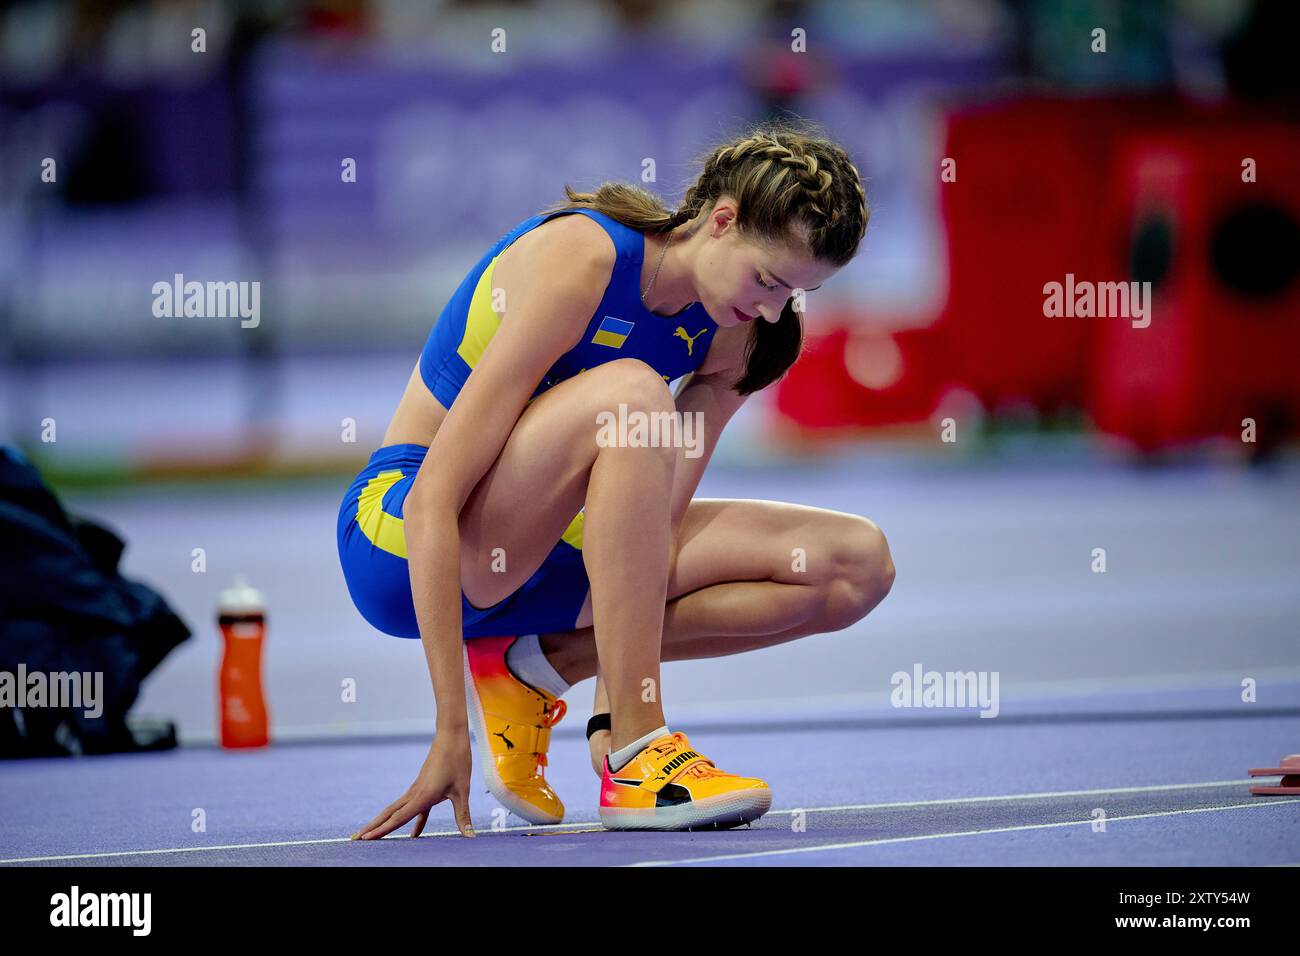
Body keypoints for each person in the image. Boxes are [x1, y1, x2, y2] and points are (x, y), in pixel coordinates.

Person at [339, 121, 894, 837]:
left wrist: (608, 697)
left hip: (548, 560)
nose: (772, 309)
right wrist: (452, 732)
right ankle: (640, 754)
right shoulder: (584, 258)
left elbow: (652, 530)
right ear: (721, 220)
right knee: (632, 394)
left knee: (854, 565)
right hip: (406, 546)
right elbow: (434, 501)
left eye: (795, 293)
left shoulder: (739, 336)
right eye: (767, 279)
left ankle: (535, 669)